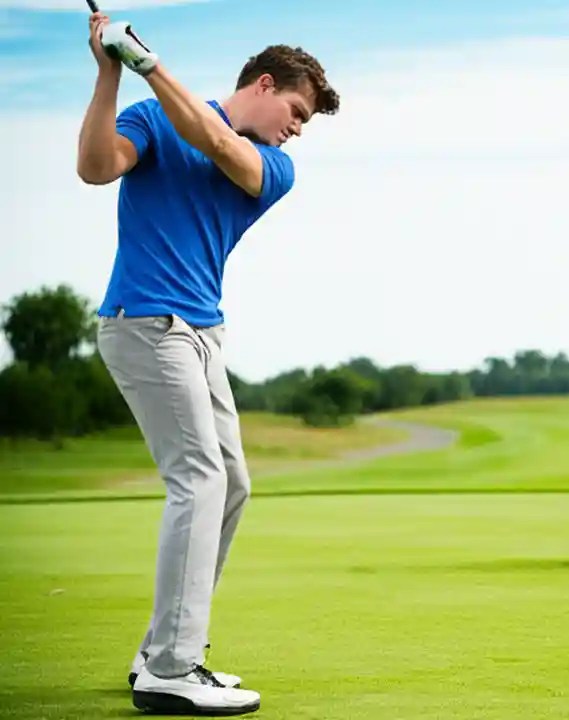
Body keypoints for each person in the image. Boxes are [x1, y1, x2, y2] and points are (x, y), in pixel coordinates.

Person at [78, 10, 339, 716]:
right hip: (145, 325)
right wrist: (111, 73)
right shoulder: (150, 118)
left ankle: (161, 649)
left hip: (201, 336)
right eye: (296, 111)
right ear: (263, 83)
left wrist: (144, 60)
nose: (296, 128)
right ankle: (172, 665)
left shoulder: (272, 166)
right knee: (198, 478)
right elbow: (96, 169)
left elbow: (216, 138)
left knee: (233, 485)